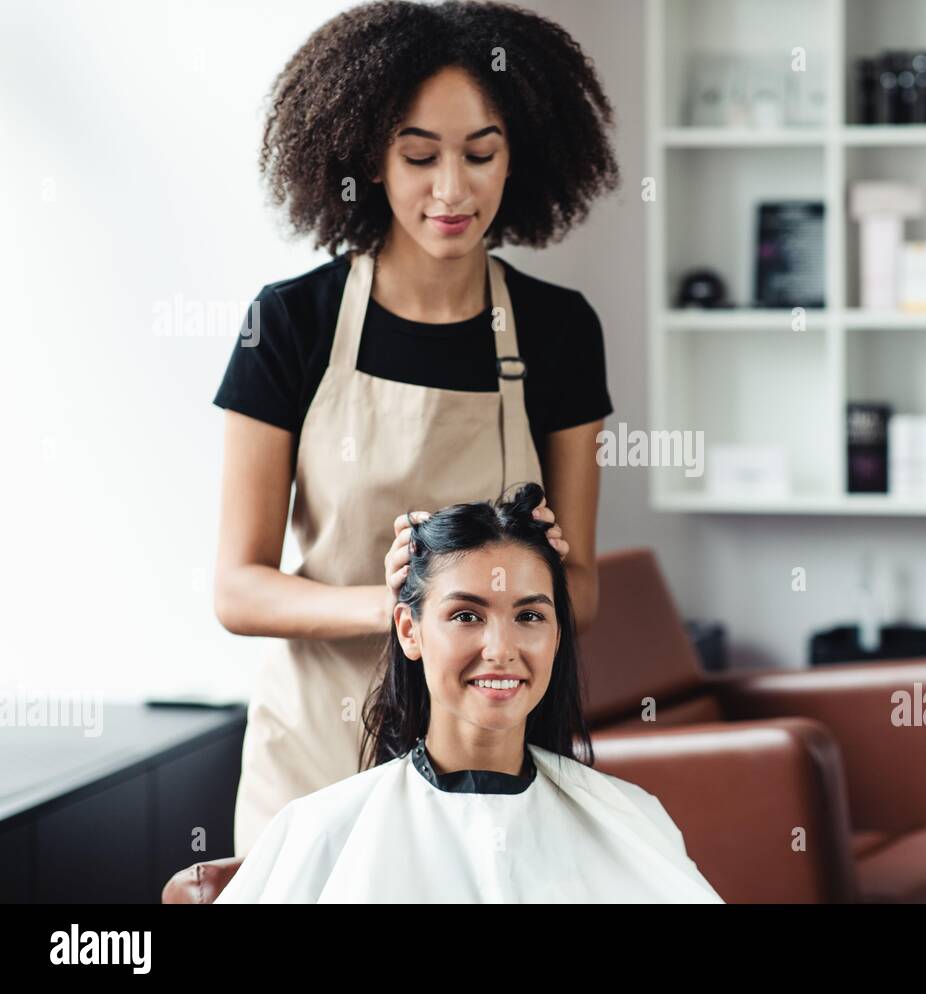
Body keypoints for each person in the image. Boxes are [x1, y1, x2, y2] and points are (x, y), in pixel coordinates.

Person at [211, 0, 620, 858]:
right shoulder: (291, 323)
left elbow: (579, 589)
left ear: (521, 155)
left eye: (481, 153)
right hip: (320, 749)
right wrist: (404, 605)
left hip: (494, 754)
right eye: (418, 156)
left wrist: (526, 576)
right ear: (369, 158)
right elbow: (239, 589)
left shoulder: (557, 330)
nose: (452, 189)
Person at [215, 484, 724, 903]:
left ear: (556, 635)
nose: (501, 650)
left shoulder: (629, 820)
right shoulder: (320, 832)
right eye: (466, 616)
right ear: (409, 632)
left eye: (529, 616)